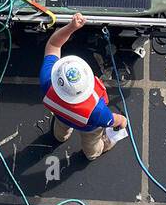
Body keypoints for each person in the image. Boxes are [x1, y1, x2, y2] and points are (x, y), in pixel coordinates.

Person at [41, 12, 127, 162]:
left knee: (61, 128)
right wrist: (122, 121)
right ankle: (93, 154)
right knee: (92, 146)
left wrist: (71, 27)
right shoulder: (98, 111)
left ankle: (60, 137)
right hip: (88, 128)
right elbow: (114, 121)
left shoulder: (47, 80)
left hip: (62, 115)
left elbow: (54, 44)